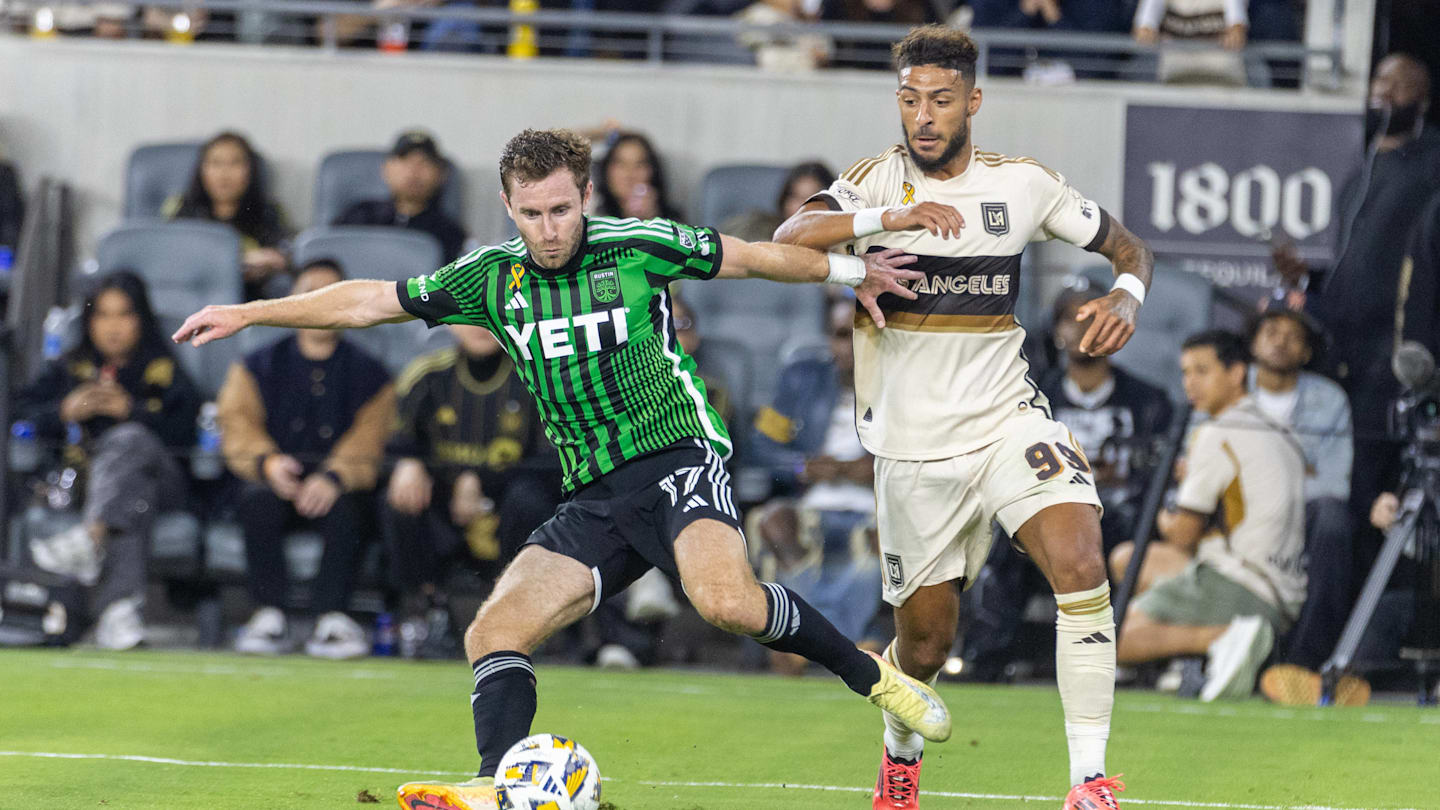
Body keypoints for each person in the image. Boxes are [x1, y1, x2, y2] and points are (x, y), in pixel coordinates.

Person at [173, 127, 949, 810]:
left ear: (585, 195)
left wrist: (853, 275)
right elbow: (365, 302)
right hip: (594, 492)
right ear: (510, 209)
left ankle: (871, 675)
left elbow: (750, 256)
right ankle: (494, 781)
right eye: (531, 213)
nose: (549, 230)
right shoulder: (488, 280)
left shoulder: (637, 245)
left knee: (725, 604)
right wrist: (248, 312)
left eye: (561, 209)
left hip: (677, 455)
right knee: (495, 629)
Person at [773, 25, 1151, 810]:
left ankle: (1089, 781)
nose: (923, 116)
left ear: (973, 102)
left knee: (1082, 560)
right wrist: (884, 228)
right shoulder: (873, 182)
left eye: (940, 100)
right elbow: (788, 236)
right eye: (909, 100)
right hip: (913, 452)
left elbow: (1130, 249)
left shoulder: (1023, 186)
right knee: (926, 644)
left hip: (1008, 422)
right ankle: (899, 762)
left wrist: (1126, 295)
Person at [1273, 53, 1440, 595]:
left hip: (1393, 360)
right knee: (1339, 496)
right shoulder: (1361, 174)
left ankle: (1377, 629)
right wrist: (1310, 279)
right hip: (1341, 359)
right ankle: (1335, 620)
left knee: (1382, 499)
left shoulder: (1432, 161)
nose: (1384, 94)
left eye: (1399, 86)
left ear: (1422, 102)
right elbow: (1358, 270)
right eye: (1378, 82)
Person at [961, 285, 1172, 682]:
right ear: (1056, 332)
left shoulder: (1149, 401)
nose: (1082, 329)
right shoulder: (1031, 395)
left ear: (1115, 328)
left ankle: (1130, 655)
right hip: (1048, 512)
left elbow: (1156, 480)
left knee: (1134, 531)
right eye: (1071, 319)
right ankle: (985, 658)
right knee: (1007, 535)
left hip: (1119, 519)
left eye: (1093, 318)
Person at [1109, 331, 1306, 702]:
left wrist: (1169, 502)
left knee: (1108, 643)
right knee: (1128, 560)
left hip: (1243, 584)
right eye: (1185, 373)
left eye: (1202, 370)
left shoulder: (1217, 432)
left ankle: (1223, 640)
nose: (1190, 383)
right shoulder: (1279, 428)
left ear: (1236, 373)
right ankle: (1195, 662)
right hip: (1283, 590)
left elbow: (1182, 533)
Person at [215, 259, 395, 660]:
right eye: (309, 293)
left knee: (350, 511)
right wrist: (267, 463)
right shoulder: (255, 366)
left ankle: (332, 617)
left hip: (335, 487)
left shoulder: (371, 375)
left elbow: (371, 437)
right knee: (255, 501)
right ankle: (269, 613)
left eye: (330, 294)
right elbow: (236, 423)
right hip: (275, 479)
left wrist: (335, 475)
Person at [17, 271, 201, 650]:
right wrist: (62, 412)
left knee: (131, 441)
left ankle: (90, 537)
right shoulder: (71, 366)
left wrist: (132, 411)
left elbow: (190, 432)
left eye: (124, 315)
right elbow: (17, 410)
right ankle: (119, 612)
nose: (113, 327)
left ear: (141, 319)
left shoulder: (161, 366)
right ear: (89, 321)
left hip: (168, 481)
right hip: (97, 488)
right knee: (133, 499)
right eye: (102, 315)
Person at [384, 323, 558, 658]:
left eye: (486, 313)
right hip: (445, 506)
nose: (478, 325)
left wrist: (481, 481)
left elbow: (552, 463)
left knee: (530, 500)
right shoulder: (427, 375)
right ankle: (428, 609)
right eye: (468, 313)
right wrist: (407, 463)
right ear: (448, 320)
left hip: (511, 506)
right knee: (399, 496)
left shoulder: (536, 376)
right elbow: (398, 444)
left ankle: (521, 614)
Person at [750, 298, 883, 675]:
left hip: (874, 505)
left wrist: (877, 468)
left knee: (882, 539)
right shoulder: (800, 378)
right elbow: (760, 444)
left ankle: (812, 643)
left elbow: (930, 450)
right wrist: (801, 467)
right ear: (829, 340)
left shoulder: (901, 385)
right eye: (843, 335)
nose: (852, 345)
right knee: (773, 522)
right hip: (811, 502)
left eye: (863, 334)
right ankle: (852, 640)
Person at [163, 131, 291, 301]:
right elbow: (167, 257)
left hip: (247, 298)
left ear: (250, 170)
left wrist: (270, 260)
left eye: (235, 163)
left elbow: (284, 253)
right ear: (201, 170)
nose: (224, 174)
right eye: (215, 163)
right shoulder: (181, 209)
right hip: (189, 295)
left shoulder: (267, 212)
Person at [334, 130, 468, 261]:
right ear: (386, 169)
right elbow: (325, 250)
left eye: (424, 162)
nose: (414, 170)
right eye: (405, 160)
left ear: (441, 174)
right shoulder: (359, 215)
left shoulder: (449, 234)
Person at [722, 160, 835, 243]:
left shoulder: (840, 245)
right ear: (784, 200)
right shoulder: (755, 227)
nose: (803, 205)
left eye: (812, 198)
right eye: (796, 196)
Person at [593, 130, 684, 221]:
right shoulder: (592, 215)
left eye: (639, 165)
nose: (629, 174)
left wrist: (650, 218)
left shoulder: (672, 223)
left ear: (652, 171)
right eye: (621, 164)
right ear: (606, 169)